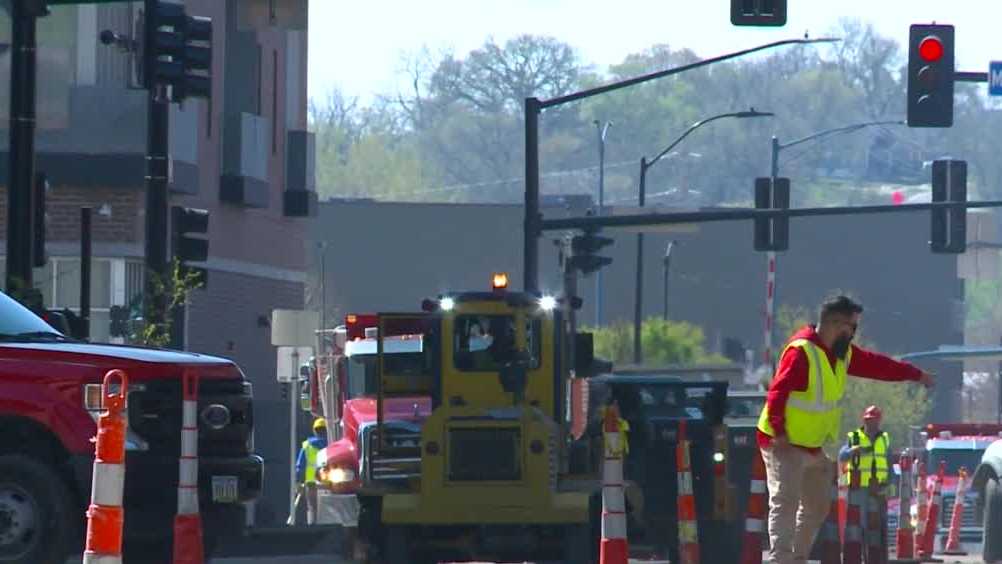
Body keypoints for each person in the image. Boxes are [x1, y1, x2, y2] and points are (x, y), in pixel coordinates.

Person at [756, 294, 934, 564]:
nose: (853, 334)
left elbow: (878, 365)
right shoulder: (801, 352)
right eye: (852, 327)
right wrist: (780, 433)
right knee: (785, 500)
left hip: (811, 445)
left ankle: (796, 557)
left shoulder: (841, 355)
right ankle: (781, 559)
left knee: (816, 505)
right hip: (782, 442)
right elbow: (777, 392)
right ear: (836, 324)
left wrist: (915, 374)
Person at [839, 405, 891, 489]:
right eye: (867, 419)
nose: (869, 422)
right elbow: (842, 456)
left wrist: (889, 484)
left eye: (872, 419)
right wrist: (853, 450)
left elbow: (889, 463)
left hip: (879, 487)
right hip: (858, 487)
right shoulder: (855, 437)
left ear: (879, 421)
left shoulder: (884, 438)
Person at [295, 417, 329, 525]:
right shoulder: (332, 445)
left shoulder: (307, 446)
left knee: (313, 509)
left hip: (311, 484)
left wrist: (299, 483)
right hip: (329, 483)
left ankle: (314, 529)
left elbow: (300, 467)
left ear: (315, 431)